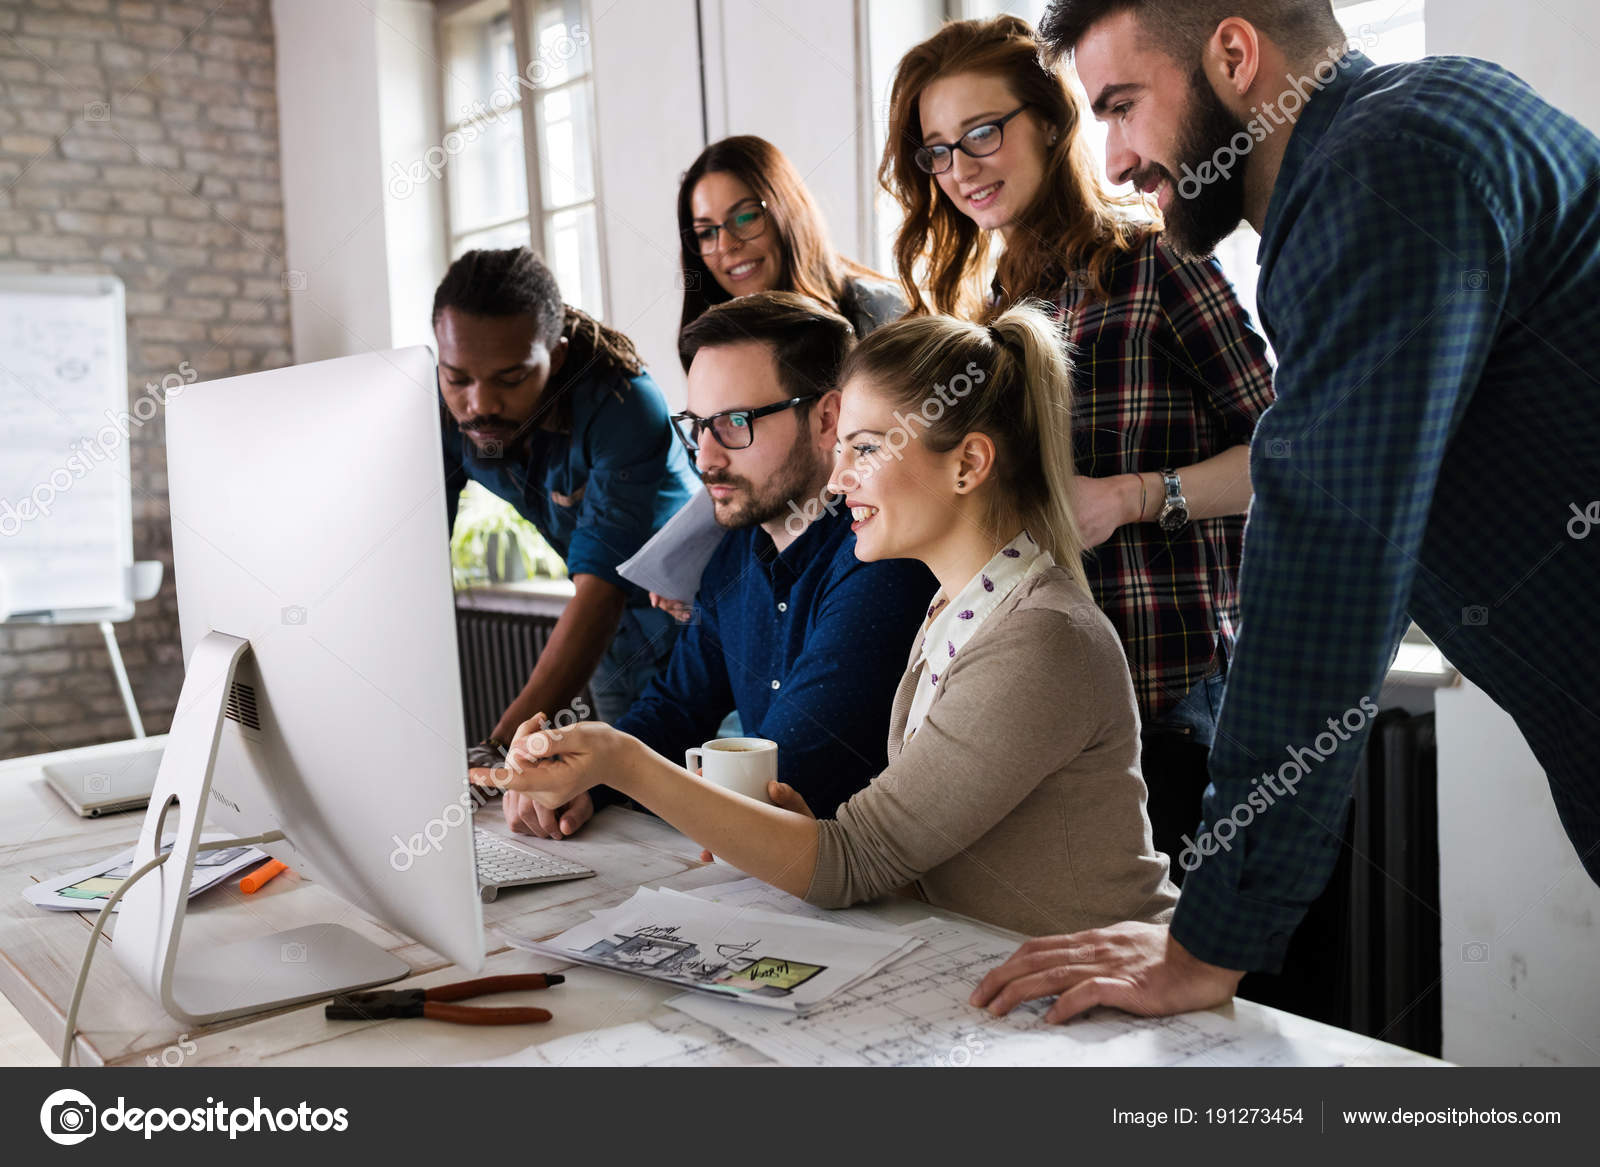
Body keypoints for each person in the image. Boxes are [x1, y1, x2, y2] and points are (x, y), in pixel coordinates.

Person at [972, 0, 1600, 1023]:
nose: (1117, 160)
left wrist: (1209, 938)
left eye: (1123, 107)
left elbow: (1327, 560)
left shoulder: (1378, 168)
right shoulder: (1418, 123)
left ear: (1231, 52)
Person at [495, 303, 1180, 938]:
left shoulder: (1039, 636)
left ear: (969, 463)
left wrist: (621, 761)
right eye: (843, 447)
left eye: (866, 449)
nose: (839, 477)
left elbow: (854, 857)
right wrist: (790, 827)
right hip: (1001, 974)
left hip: (1117, 1013)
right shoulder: (956, 609)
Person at [880, 15, 1276, 873]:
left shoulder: (1155, 261)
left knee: (1158, 983)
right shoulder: (980, 314)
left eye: (983, 132)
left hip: (1165, 705)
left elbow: (1288, 453)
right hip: (1020, 699)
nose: (961, 168)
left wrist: (1136, 494)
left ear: (1052, 122)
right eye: (938, 150)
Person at [498, 292, 935, 839]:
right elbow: (676, 707)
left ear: (828, 419)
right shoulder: (733, 552)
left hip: (867, 899)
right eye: (697, 425)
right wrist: (581, 779)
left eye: (734, 422)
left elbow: (783, 777)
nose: (706, 457)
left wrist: (610, 764)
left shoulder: (879, 557)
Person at [436, 247, 698, 783]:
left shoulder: (623, 404)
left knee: (708, 814)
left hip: (696, 625)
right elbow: (413, 561)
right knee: (625, 800)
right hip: (610, 640)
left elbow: (599, 589)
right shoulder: (450, 412)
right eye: (457, 378)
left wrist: (498, 748)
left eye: (509, 378)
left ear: (554, 357)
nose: (478, 403)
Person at [639, 136, 912, 626]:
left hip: (877, 568)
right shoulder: (713, 347)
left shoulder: (877, 313)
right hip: (772, 589)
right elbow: (754, 478)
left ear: (784, 209)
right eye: (706, 233)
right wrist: (695, 560)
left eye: (745, 217)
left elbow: (915, 449)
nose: (726, 247)